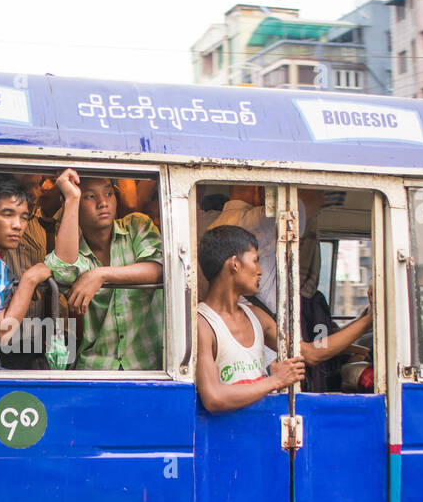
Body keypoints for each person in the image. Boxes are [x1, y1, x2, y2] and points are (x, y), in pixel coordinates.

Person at [196, 226, 372, 412]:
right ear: (235, 264)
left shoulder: (256, 316)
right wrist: (275, 380)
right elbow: (214, 398)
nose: (260, 270)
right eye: (255, 261)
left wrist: (368, 320)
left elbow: (312, 353)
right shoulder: (202, 323)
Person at [44, 169, 164, 370]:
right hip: (97, 367)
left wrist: (101, 274)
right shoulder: (77, 254)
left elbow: (158, 269)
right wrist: (72, 198)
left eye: (108, 194)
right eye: (90, 197)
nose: (103, 203)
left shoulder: (136, 226)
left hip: (148, 365)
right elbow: (62, 270)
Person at [0, 177, 51, 362]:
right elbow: (0, 335)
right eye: (7, 214)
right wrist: (30, 280)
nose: (18, 225)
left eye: (24, 217)